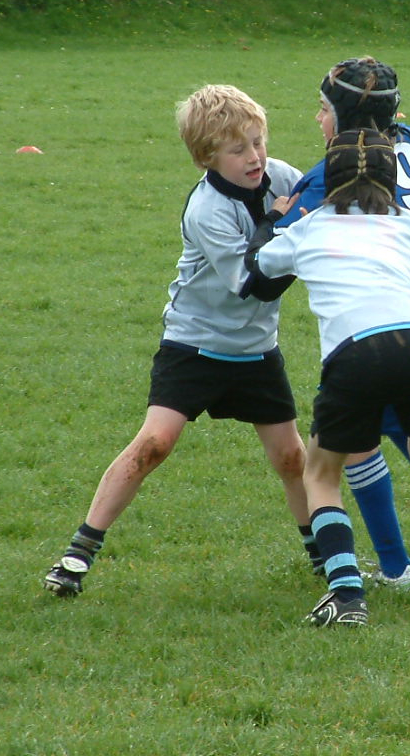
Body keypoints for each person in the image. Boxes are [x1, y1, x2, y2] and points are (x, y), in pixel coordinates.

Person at [43, 84, 317, 596]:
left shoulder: (284, 177)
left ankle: (325, 558)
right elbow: (252, 284)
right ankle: (77, 555)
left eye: (258, 141)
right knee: (153, 445)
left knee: (291, 458)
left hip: (257, 348)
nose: (255, 156)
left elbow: (324, 206)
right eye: (238, 150)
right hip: (195, 344)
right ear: (205, 158)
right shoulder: (207, 210)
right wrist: (283, 222)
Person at [247, 128, 410, 626]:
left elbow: (254, 277)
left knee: (320, 472)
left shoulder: (310, 225)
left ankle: (346, 595)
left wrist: (273, 219)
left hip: (354, 350)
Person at [282, 56, 410, 589]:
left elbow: (280, 239)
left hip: (409, 315)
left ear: (346, 122)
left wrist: (283, 209)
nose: (318, 121)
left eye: (324, 111)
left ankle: (397, 567)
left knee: (355, 435)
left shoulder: (336, 172)